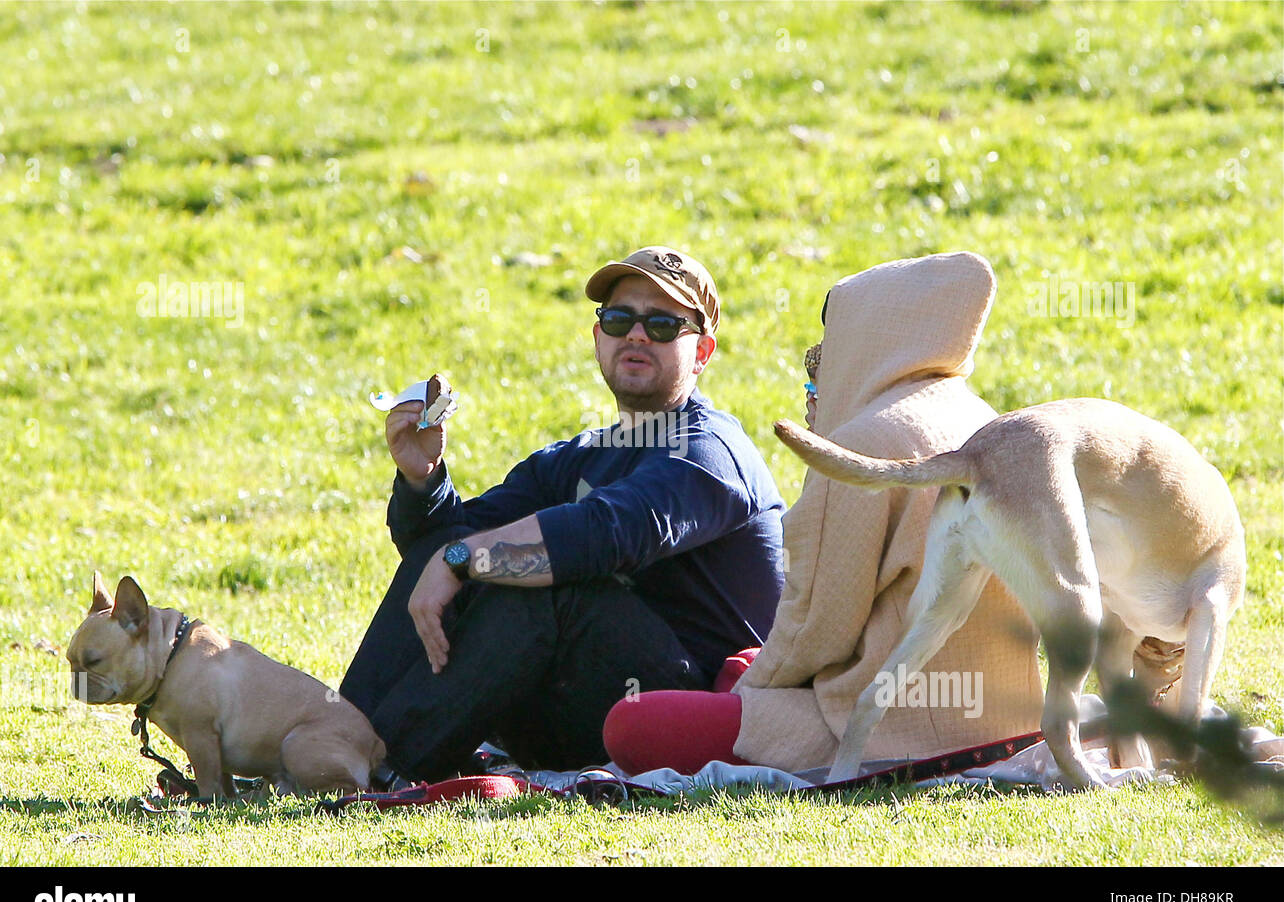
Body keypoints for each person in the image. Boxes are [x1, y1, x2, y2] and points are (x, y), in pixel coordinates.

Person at [339, 246, 786, 786]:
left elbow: (608, 533)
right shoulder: (579, 455)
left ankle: (378, 768)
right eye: (620, 319)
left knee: (546, 579)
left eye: (664, 324)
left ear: (702, 352)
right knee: (479, 554)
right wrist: (424, 480)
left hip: (685, 709)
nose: (637, 335)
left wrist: (462, 560)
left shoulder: (710, 452)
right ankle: (337, 737)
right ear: (598, 337)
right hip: (572, 707)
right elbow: (446, 542)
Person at [603, 252, 1044, 776]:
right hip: (1005, 720)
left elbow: (819, 625)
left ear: (868, 333)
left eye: (833, 336)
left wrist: (752, 689)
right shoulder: (982, 418)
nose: (824, 356)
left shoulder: (864, 442)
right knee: (739, 662)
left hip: (884, 728)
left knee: (631, 721)